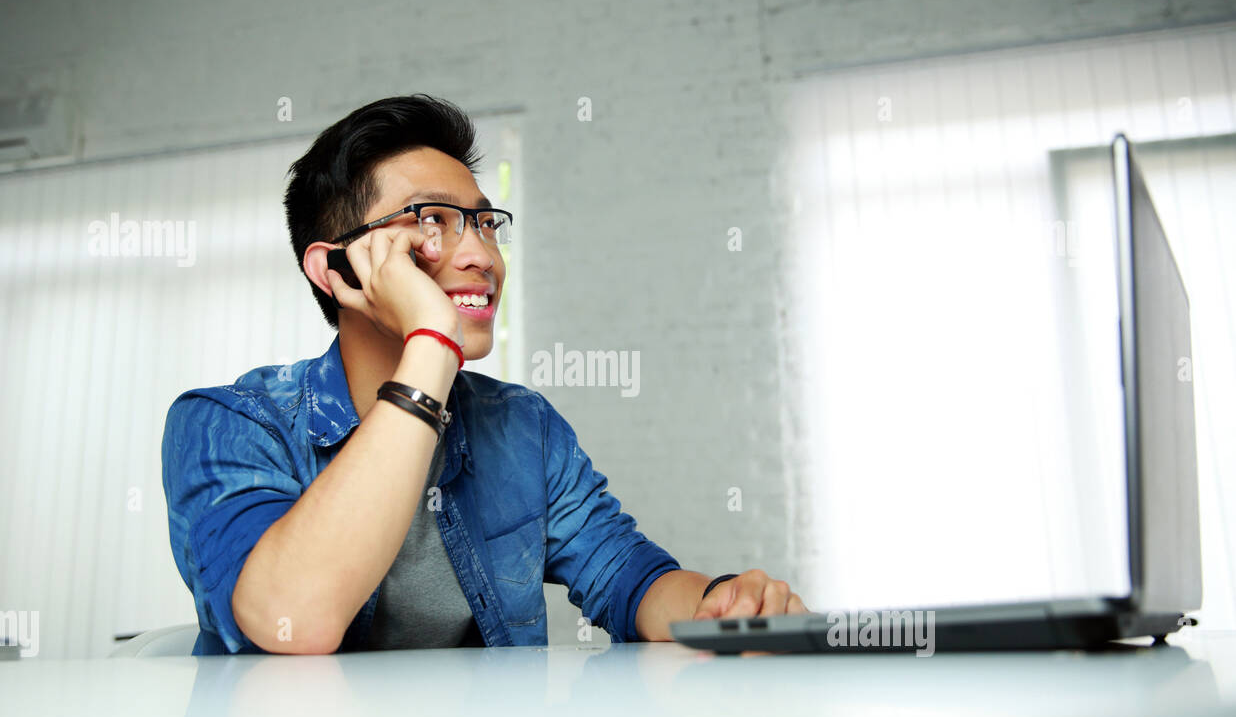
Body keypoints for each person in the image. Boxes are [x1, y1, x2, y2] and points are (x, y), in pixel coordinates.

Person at [160, 94, 807, 655]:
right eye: (430, 221)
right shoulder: (229, 423)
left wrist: (724, 606)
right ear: (336, 270)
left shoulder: (522, 426)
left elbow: (628, 578)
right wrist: (431, 342)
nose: (481, 255)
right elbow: (293, 618)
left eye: (484, 222)